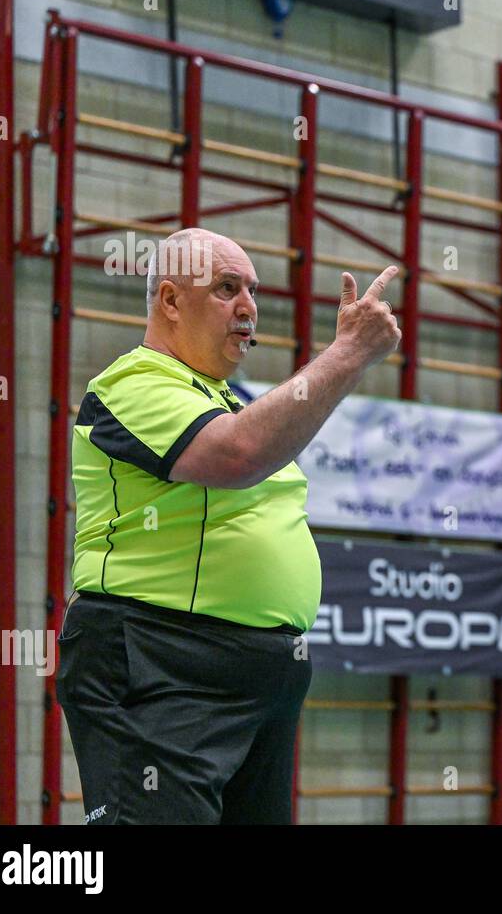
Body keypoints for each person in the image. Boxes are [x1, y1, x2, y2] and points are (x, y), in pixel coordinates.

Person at [57, 228, 402, 823]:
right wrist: (348, 353)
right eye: (226, 288)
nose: (248, 307)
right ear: (169, 301)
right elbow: (237, 456)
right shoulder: (132, 384)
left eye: (252, 291)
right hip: (163, 662)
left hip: (261, 677)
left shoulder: (223, 399)